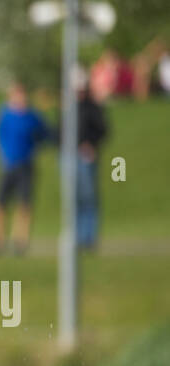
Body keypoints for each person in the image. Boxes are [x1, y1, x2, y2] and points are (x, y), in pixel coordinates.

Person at [0, 82, 54, 256]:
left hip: (26, 165)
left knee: (24, 204)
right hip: (8, 165)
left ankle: (20, 242)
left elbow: (47, 135)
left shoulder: (32, 116)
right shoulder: (4, 115)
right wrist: (3, 152)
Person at [76, 80, 109, 251]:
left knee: (88, 197)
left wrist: (91, 143)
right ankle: (75, 237)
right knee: (73, 199)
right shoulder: (68, 108)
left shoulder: (92, 107)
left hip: (86, 157)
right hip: (69, 156)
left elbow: (103, 130)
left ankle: (88, 238)